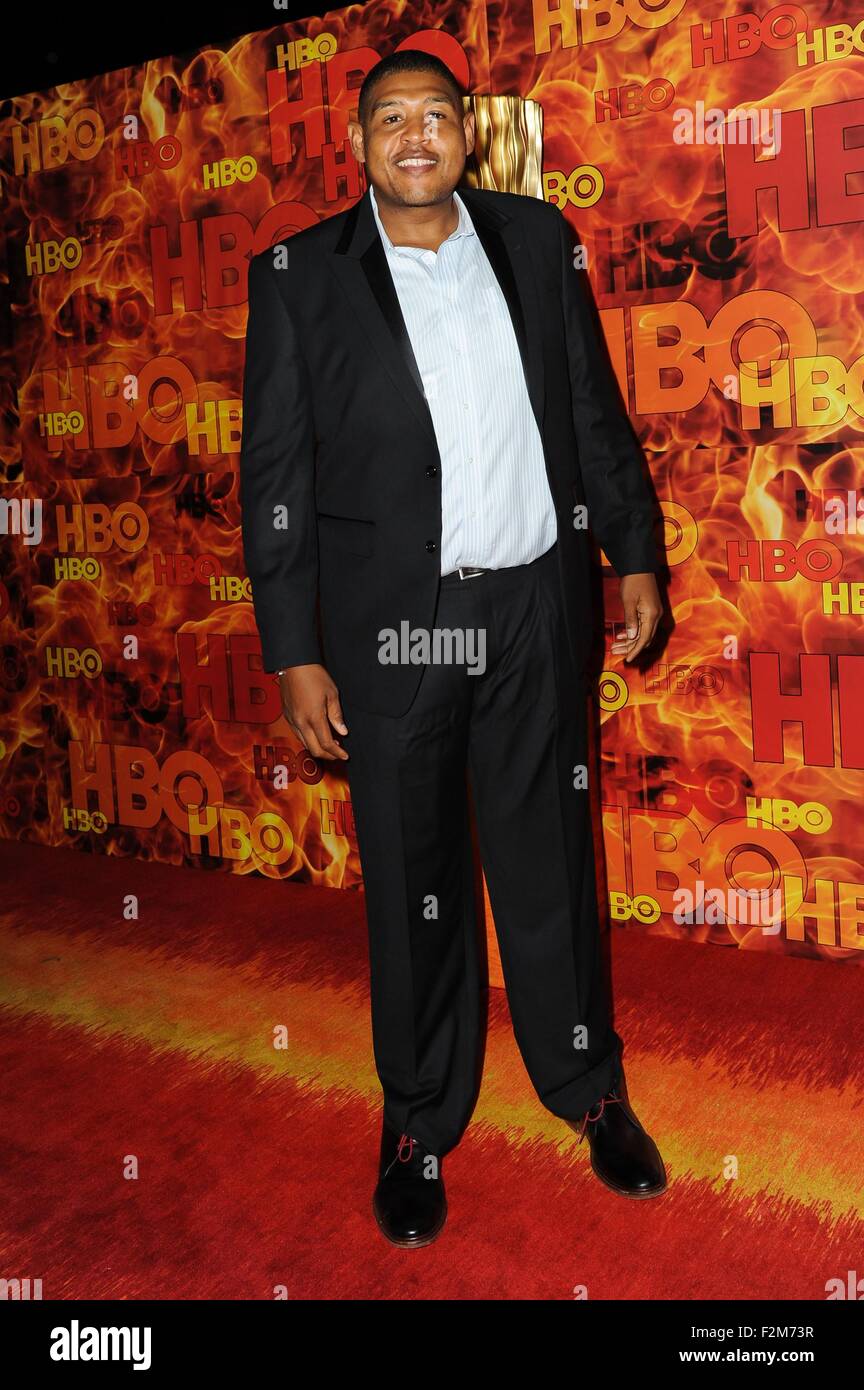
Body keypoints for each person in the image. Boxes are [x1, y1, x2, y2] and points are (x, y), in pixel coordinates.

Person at [239, 49, 667, 1249]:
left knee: (550, 860)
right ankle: (420, 1122)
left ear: (467, 135)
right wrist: (292, 647)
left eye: (436, 116)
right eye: (390, 118)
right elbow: (273, 473)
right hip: (393, 628)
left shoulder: (537, 243)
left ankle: (589, 1089)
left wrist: (632, 550)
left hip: (535, 602)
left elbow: (592, 408)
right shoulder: (300, 277)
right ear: (359, 140)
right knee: (415, 877)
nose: (414, 136)